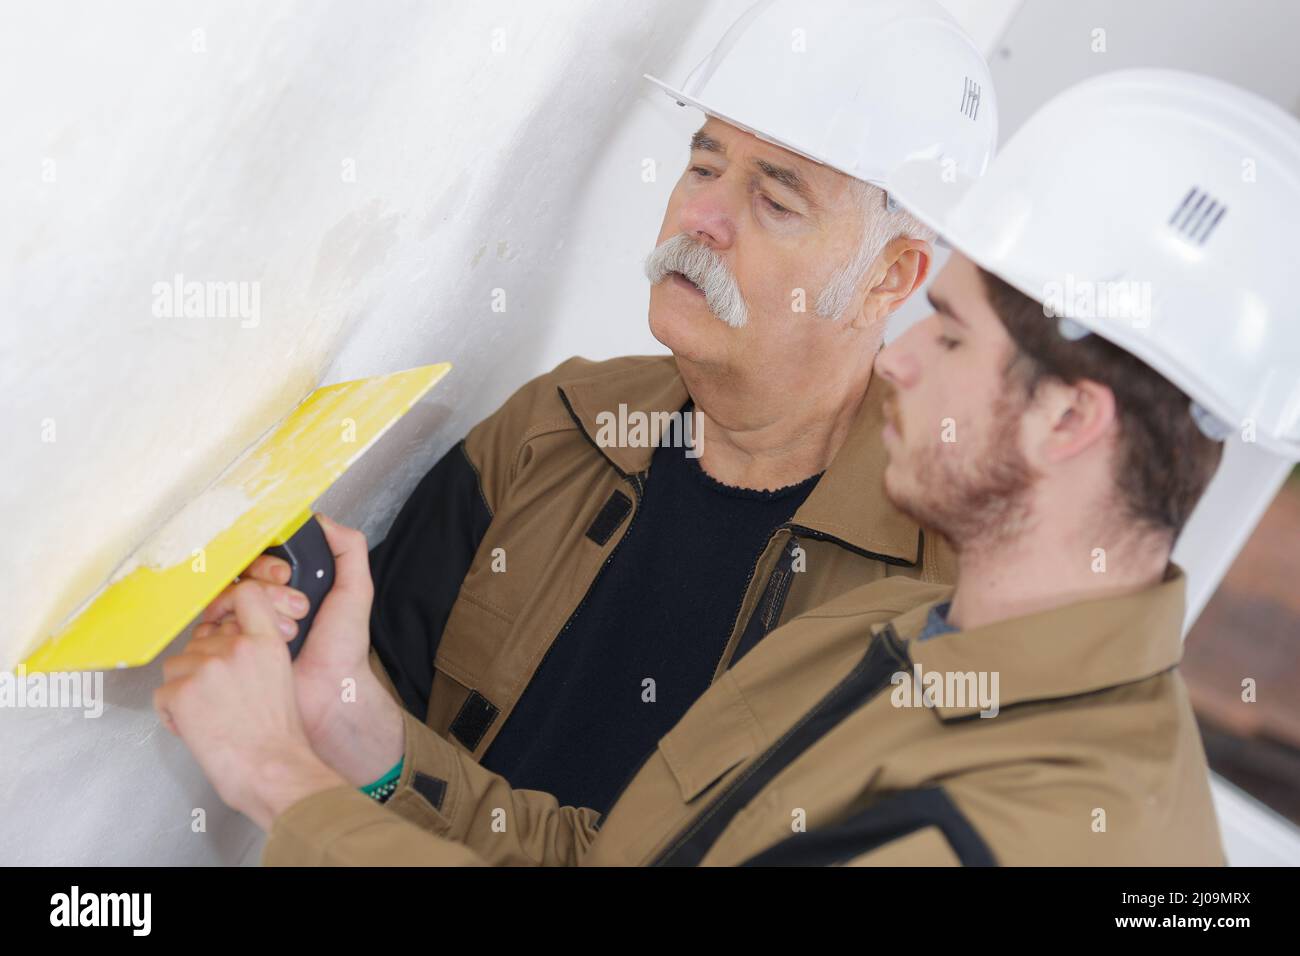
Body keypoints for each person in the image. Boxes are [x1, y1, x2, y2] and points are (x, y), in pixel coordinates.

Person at [158, 68, 1300, 864]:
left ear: (1068, 421)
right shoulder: (879, 641)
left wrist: (277, 776)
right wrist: (358, 735)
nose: (900, 362)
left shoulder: (1034, 823)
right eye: (705, 163)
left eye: (949, 336)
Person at [352, 0, 993, 813]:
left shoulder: (939, 593)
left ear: (888, 280)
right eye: (704, 166)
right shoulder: (555, 425)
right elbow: (356, 704)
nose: (700, 218)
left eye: (776, 202)